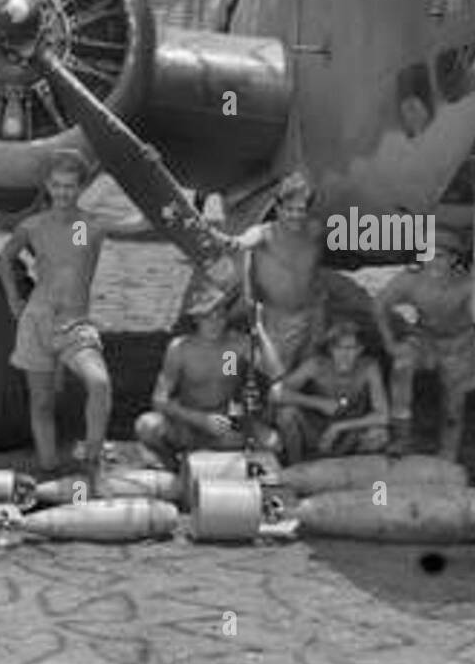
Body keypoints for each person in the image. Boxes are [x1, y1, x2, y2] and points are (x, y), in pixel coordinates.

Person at [0, 150, 112, 473]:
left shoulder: (93, 226)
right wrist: (13, 300)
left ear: (81, 188)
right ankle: (48, 467)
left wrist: (148, 165)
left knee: (99, 383)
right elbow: (5, 259)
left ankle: (92, 458)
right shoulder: (32, 226)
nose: (63, 193)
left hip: (75, 325)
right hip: (36, 321)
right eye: (57, 185)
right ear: (48, 186)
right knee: (42, 402)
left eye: (70, 186)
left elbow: (147, 211)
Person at [374, 228, 475, 461]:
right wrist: (390, 343)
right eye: (428, 254)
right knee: (402, 364)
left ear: (453, 259)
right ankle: (402, 438)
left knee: (453, 408)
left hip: (460, 345)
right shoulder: (410, 280)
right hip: (425, 340)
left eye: (440, 256)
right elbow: (379, 305)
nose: (433, 262)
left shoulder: (467, 282)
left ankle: (447, 454)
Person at [135, 284, 277, 466]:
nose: (215, 323)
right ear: (196, 320)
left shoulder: (233, 347)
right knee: (146, 425)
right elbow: (159, 400)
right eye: (207, 317)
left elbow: (274, 372)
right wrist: (200, 419)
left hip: (224, 426)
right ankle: (173, 467)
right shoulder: (180, 348)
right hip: (188, 422)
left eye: (220, 316)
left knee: (273, 442)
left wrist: (259, 328)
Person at [220, 171, 327, 380]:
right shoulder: (263, 233)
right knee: (232, 352)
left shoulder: (315, 231)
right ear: (277, 208)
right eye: (289, 210)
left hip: (310, 317)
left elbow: (351, 236)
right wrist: (231, 242)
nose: (296, 216)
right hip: (273, 319)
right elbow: (243, 240)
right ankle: (229, 389)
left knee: (304, 375)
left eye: (301, 210)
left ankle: (288, 394)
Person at [270, 319, 390, 465]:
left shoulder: (368, 367)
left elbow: (383, 416)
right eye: (339, 348)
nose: (345, 354)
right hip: (314, 431)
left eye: (351, 348)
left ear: (360, 350)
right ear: (330, 349)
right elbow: (276, 393)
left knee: (378, 434)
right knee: (287, 414)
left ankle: (351, 471)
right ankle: (296, 466)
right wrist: (318, 403)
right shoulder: (316, 365)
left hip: (348, 432)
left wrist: (338, 428)